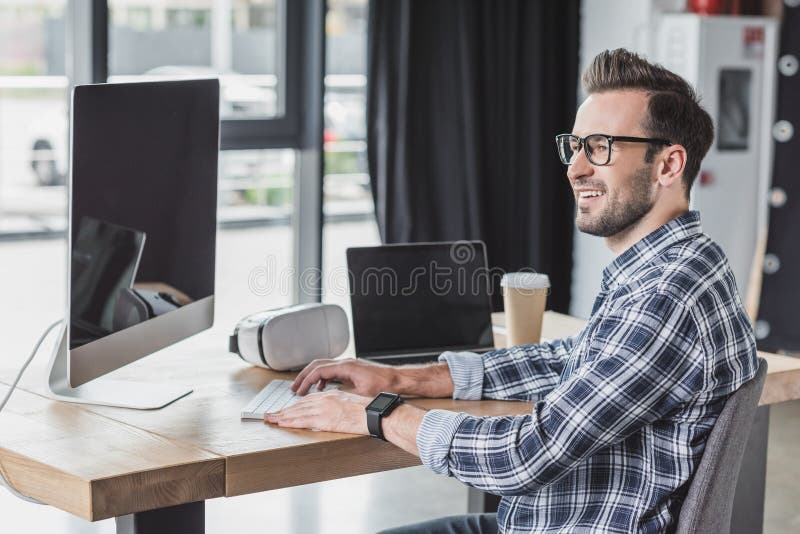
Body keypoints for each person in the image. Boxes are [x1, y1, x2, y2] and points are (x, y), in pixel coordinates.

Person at [264, 48, 758, 533]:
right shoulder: (683, 264)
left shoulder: (668, 295)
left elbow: (526, 455)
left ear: (669, 166)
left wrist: (376, 414)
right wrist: (403, 380)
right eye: (575, 146)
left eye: (601, 147)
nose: (575, 168)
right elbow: (574, 361)